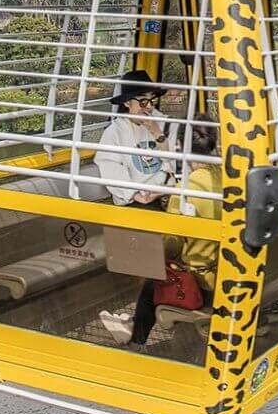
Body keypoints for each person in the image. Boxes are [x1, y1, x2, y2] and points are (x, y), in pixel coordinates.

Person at [100, 117, 222, 346]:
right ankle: (134, 326)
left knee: (155, 270)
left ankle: (136, 333)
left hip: (201, 282)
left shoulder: (186, 191)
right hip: (224, 271)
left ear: (180, 146)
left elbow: (171, 246)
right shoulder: (227, 177)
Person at [86, 70, 175, 207]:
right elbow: (110, 167)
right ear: (127, 103)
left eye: (152, 100)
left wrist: (158, 134)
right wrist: (135, 195)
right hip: (134, 202)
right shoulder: (115, 131)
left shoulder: (164, 123)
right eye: (143, 101)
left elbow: (174, 162)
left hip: (165, 195)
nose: (149, 107)